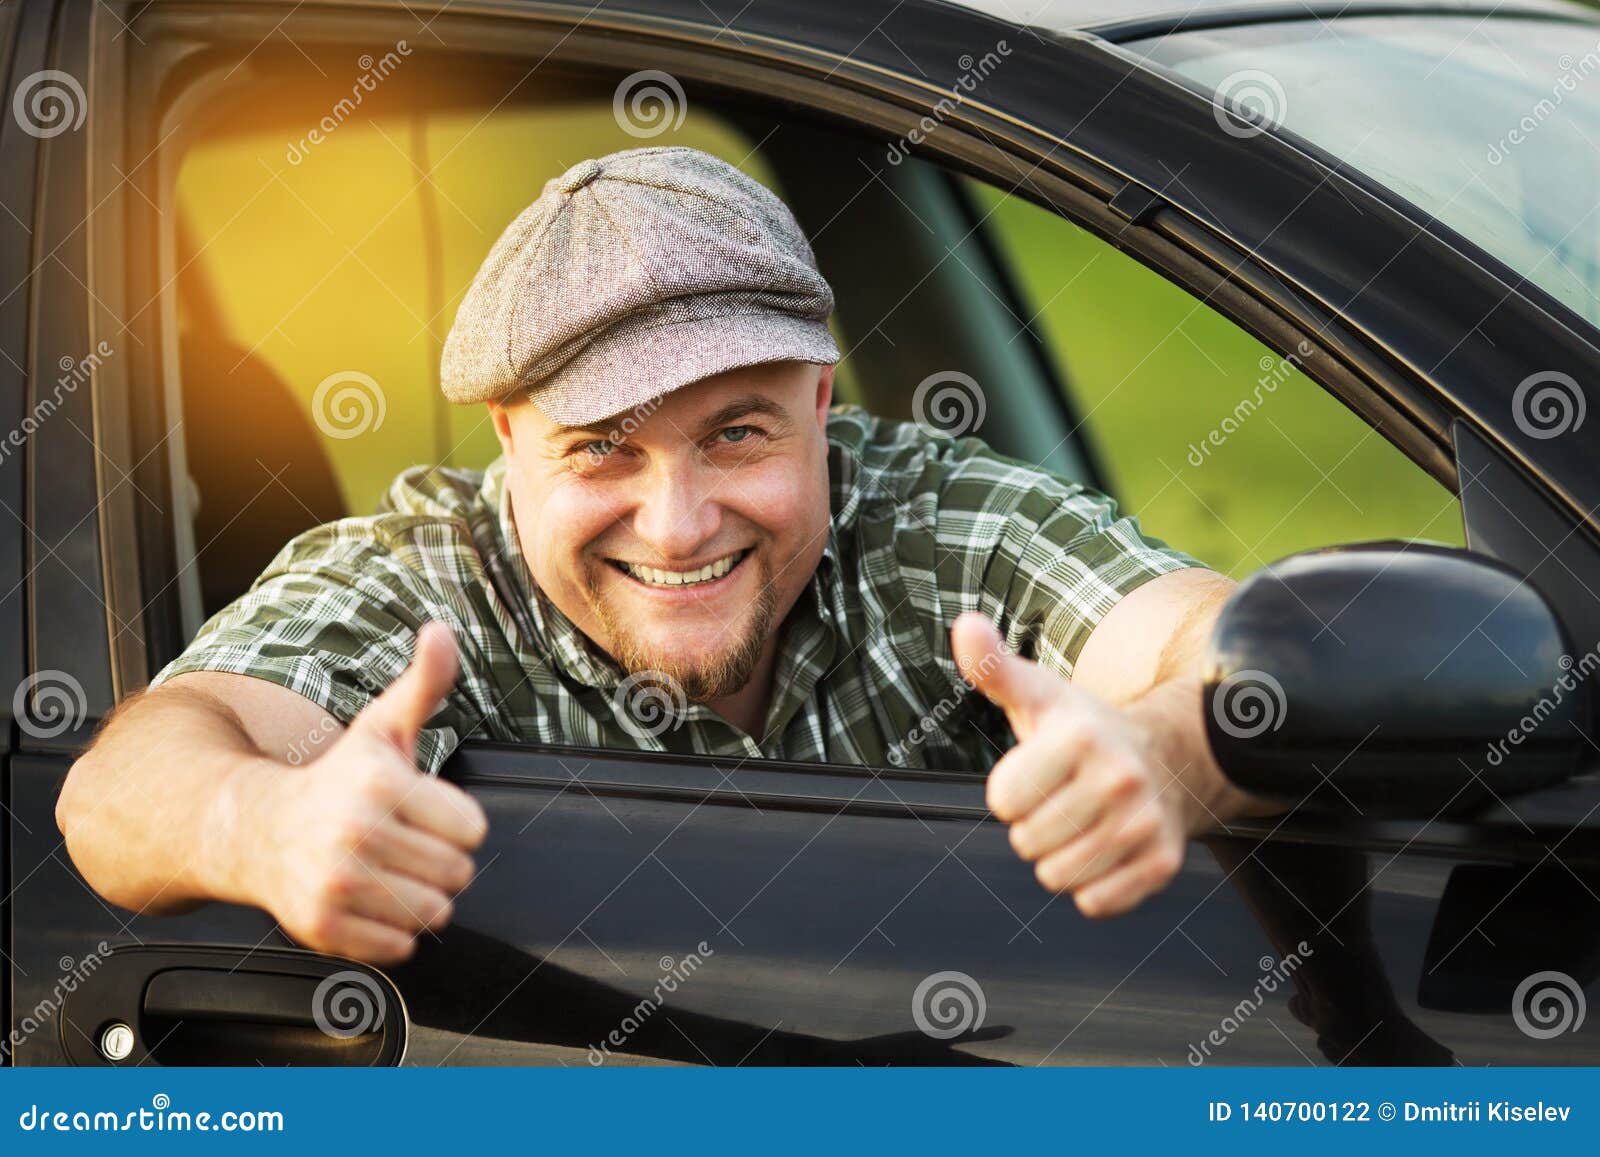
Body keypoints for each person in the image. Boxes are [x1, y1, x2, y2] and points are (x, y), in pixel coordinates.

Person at [57, 146, 1274, 966]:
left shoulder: (936, 519)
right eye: (600, 451)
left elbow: (1199, 634)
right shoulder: (426, 578)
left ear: (821, 398)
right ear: (508, 443)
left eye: (735, 432)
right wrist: (259, 823)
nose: (678, 521)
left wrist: (1172, 744)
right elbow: (117, 789)